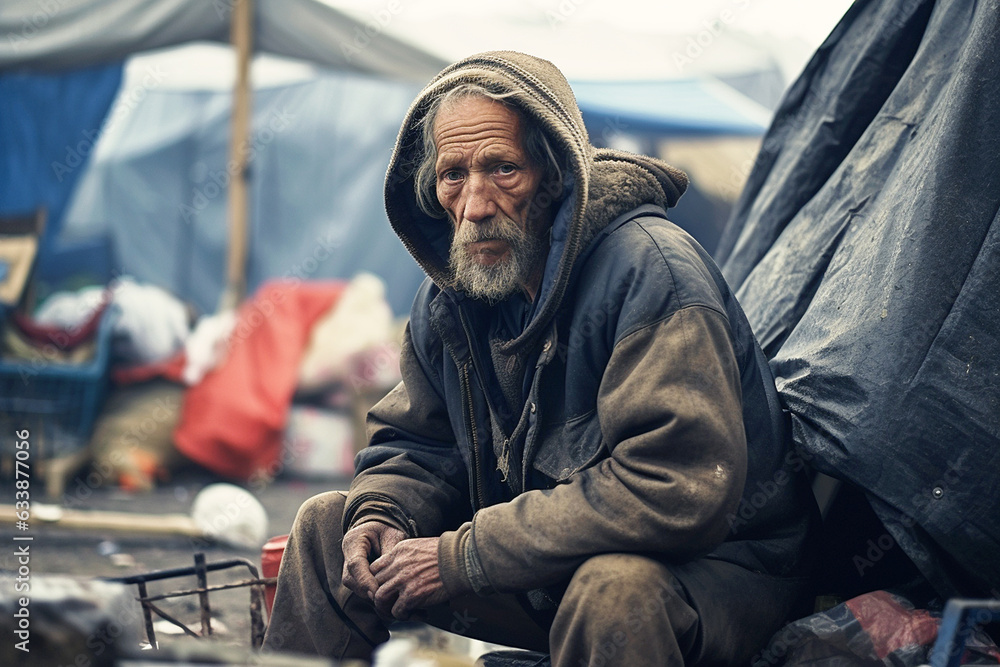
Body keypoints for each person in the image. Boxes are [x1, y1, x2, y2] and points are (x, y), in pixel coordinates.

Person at [263, 51, 818, 666]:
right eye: (453, 175)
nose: (474, 205)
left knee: (612, 591)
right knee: (326, 528)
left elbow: (675, 486)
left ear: (556, 177)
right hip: (548, 568)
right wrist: (386, 511)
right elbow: (419, 446)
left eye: (503, 169)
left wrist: (463, 557)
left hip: (718, 580)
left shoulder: (650, 271)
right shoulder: (454, 294)